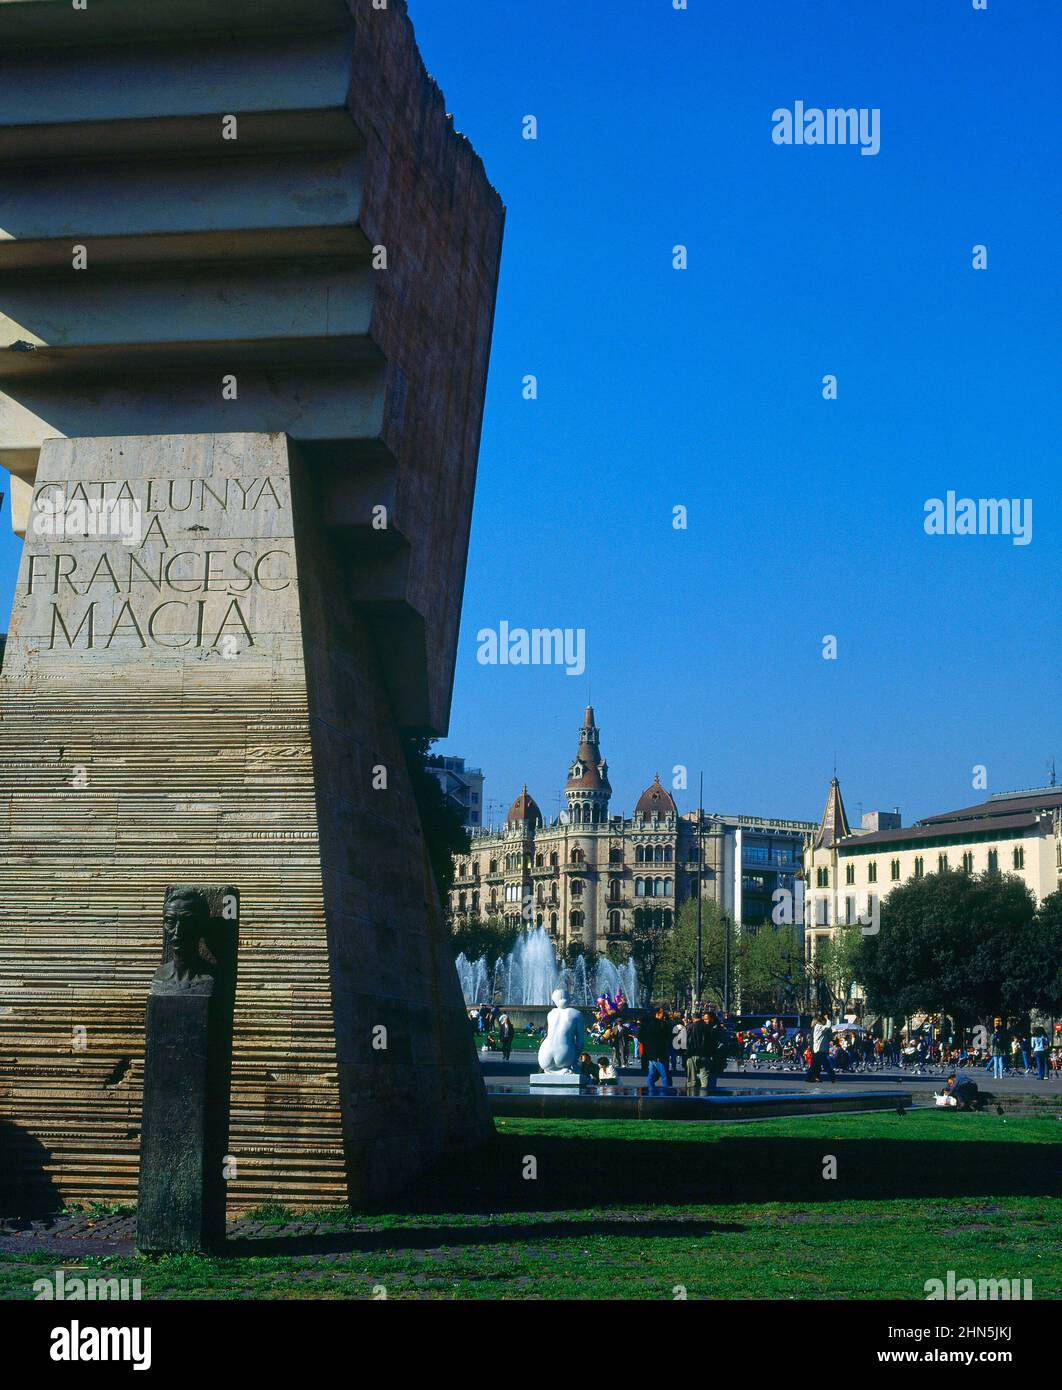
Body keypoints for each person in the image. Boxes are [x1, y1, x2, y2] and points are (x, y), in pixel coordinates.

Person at [640, 1004, 672, 1090]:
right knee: (665, 1076)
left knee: (651, 1075)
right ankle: (668, 1093)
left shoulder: (650, 1024)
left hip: (652, 1055)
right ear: (657, 1014)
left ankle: (651, 1091)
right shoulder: (658, 1024)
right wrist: (657, 1054)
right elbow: (656, 1041)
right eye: (662, 1013)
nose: (664, 1015)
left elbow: (644, 1039)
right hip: (658, 1055)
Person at [806, 1014, 835, 1082]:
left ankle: (810, 1077)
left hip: (820, 1049)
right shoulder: (819, 1027)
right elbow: (828, 1026)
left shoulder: (818, 1027)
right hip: (820, 1050)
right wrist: (827, 1019)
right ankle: (832, 1077)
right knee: (825, 1065)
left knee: (815, 1065)